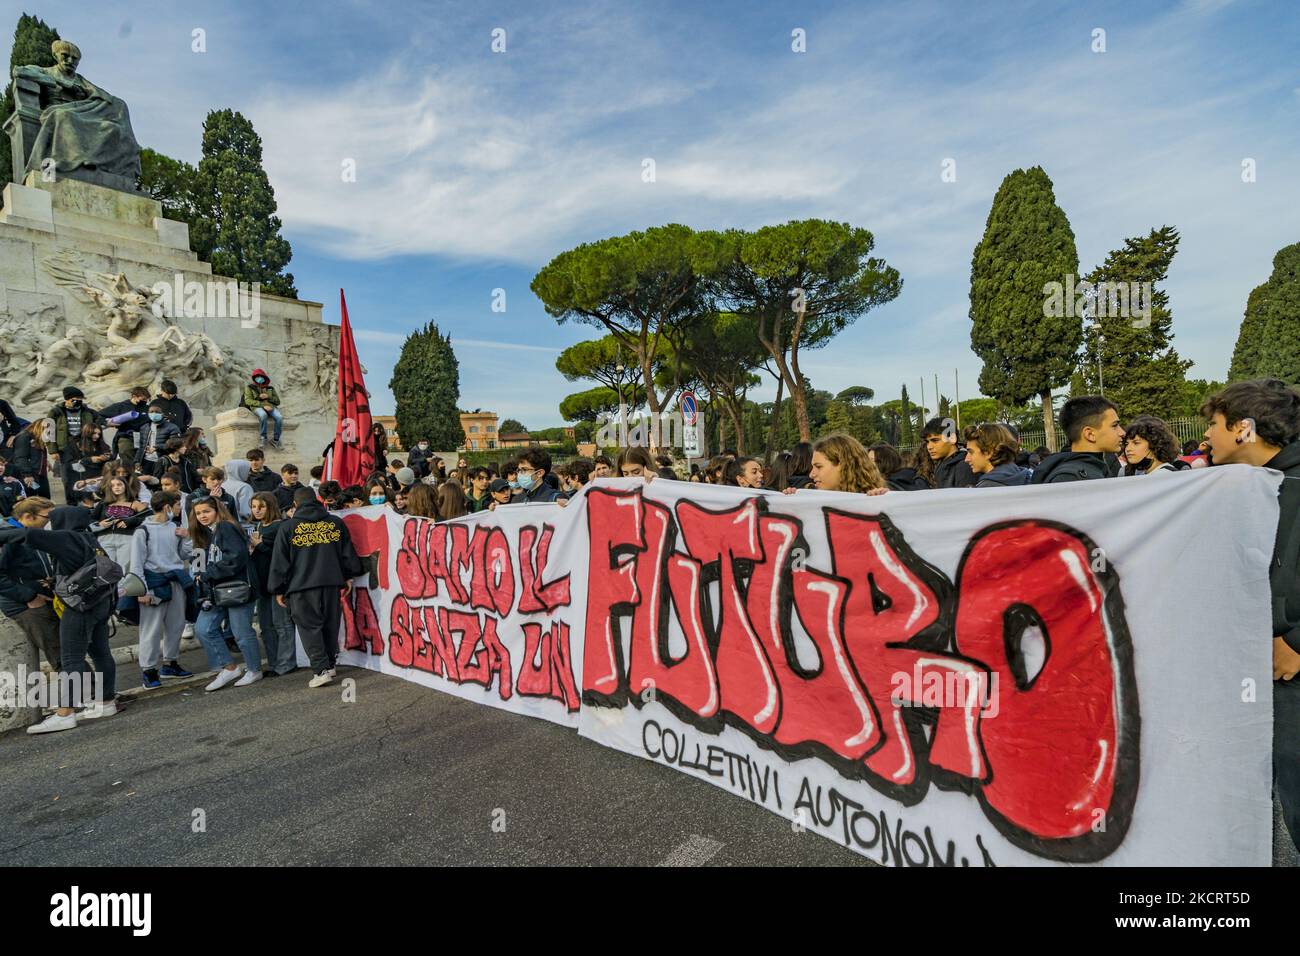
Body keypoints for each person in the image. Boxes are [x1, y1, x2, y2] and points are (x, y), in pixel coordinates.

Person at [1199, 379, 1300, 855]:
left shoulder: (1293, 484)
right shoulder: (1257, 487)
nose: (1206, 438)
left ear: (1244, 429)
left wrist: (1296, 641)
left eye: (1213, 426)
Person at [0, 505, 120, 732]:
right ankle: (106, 702)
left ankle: (66, 713)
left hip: (79, 608)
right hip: (100, 604)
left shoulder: (65, 537)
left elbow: (24, 534)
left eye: (51, 519)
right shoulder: (88, 538)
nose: (49, 524)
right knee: (101, 653)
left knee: (70, 658)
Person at [269, 486, 363, 688]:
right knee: (330, 624)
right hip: (330, 583)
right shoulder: (335, 523)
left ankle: (320, 670)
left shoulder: (287, 527)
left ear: (295, 504)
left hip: (301, 587)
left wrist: (278, 588)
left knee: (310, 628)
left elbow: (280, 562)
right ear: (318, 501)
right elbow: (347, 552)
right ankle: (329, 664)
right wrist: (348, 576)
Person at [183, 496, 262, 690]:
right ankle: (229, 668)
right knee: (204, 629)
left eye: (206, 511)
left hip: (236, 588)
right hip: (215, 592)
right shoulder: (204, 532)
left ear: (217, 511)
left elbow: (236, 558)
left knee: (241, 633)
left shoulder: (226, 527)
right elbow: (200, 561)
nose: (202, 516)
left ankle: (254, 670)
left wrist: (208, 573)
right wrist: (199, 572)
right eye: (199, 513)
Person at [129, 491, 195, 688]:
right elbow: (136, 563)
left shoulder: (175, 527)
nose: (178, 510)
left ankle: (170, 664)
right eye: (176, 506)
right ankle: (148, 670)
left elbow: (185, 553)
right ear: (167, 507)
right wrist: (143, 591)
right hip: (154, 583)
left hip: (175, 581)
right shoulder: (143, 531)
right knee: (151, 629)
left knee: (176, 625)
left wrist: (188, 536)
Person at [0, 496, 62, 671]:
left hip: (41, 598)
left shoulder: (27, 533)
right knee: (60, 653)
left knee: (64, 650)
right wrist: (29, 596)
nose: (50, 522)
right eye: (47, 517)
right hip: (27, 605)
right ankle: (91, 695)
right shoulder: (9, 537)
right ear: (28, 516)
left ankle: (92, 693)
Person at [248, 492, 296, 677]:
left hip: (278, 584)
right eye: (253, 506)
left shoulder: (282, 526)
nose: (257, 510)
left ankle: (286, 663)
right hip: (261, 584)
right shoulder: (258, 526)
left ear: (270, 507)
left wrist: (260, 546)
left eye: (261, 506)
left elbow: (282, 557)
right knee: (266, 626)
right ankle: (274, 663)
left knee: (282, 624)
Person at [1030, 396, 1124, 484]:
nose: (1122, 432)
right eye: (1114, 425)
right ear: (1090, 434)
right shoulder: (1069, 478)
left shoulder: (1095, 467)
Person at [48, 386, 102, 504]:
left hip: (83, 446)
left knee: (85, 473)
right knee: (68, 476)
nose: (78, 401)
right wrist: (53, 450)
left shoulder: (87, 411)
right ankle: (71, 503)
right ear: (67, 399)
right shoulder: (55, 411)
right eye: (75, 399)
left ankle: (88, 501)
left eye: (80, 399)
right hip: (65, 447)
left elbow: (100, 419)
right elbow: (48, 431)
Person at [90, 473, 150, 576]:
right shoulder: (104, 503)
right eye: (113, 485)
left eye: (119, 484)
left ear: (125, 486)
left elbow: (149, 516)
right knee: (106, 569)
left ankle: (123, 591)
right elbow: (90, 519)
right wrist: (99, 523)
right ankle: (111, 592)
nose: (116, 487)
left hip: (127, 538)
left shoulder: (135, 503)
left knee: (124, 568)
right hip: (104, 538)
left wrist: (130, 521)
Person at [802, 433, 887, 494]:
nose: (811, 475)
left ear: (844, 465)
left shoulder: (878, 498)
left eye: (818, 467)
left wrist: (880, 503)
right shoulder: (812, 497)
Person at [963, 423, 1031, 487]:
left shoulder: (985, 490)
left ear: (988, 452)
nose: (966, 459)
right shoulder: (1029, 477)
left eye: (971, 452)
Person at [98, 386, 152, 460]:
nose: (145, 401)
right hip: (126, 436)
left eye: (147, 400)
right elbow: (98, 415)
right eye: (143, 399)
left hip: (144, 437)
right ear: (134, 396)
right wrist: (106, 422)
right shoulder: (121, 406)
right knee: (126, 452)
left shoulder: (147, 408)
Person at [921, 417, 976, 489]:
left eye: (935, 440)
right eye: (927, 442)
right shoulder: (941, 465)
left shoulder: (964, 467)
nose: (929, 447)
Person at [241, 368, 283, 449]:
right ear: (254, 378)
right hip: (256, 407)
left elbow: (278, 401)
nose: (259, 378)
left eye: (261, 376)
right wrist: (262, 404)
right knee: (263, 415)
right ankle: (263, 438)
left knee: (279, 417)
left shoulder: (270, 388)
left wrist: (268, 396)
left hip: (271, 407)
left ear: (265, 378)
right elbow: (248, 401)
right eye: (257, 376)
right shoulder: (249, 387)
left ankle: (276, 440)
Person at [134, 401, 180, 472]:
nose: (154, 414)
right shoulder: (144, 427)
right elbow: (140, 447)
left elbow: (175, 445)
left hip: (163, 462)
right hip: (146, 462)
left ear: (162, 413)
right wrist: (137, 461)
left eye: (157, 412)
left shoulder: (172, 428)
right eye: (151, 412)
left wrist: (157, 447)